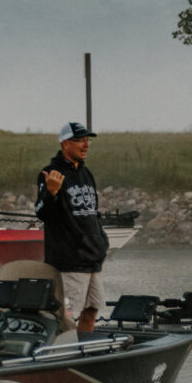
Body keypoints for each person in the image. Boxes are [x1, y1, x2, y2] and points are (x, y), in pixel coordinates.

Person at [35, 121, 110, 334]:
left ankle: (83, 349)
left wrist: (101, 242)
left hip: (92, 259)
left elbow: (92, 214)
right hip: (69, 260)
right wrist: (50, 193)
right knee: (66, 316)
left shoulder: (87, 174)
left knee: (92, 309)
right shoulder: (51, 173)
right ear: (65, 144)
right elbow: (41, 212)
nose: (85, 145)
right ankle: (61, 352)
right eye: (79, 141)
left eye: (87, 140)